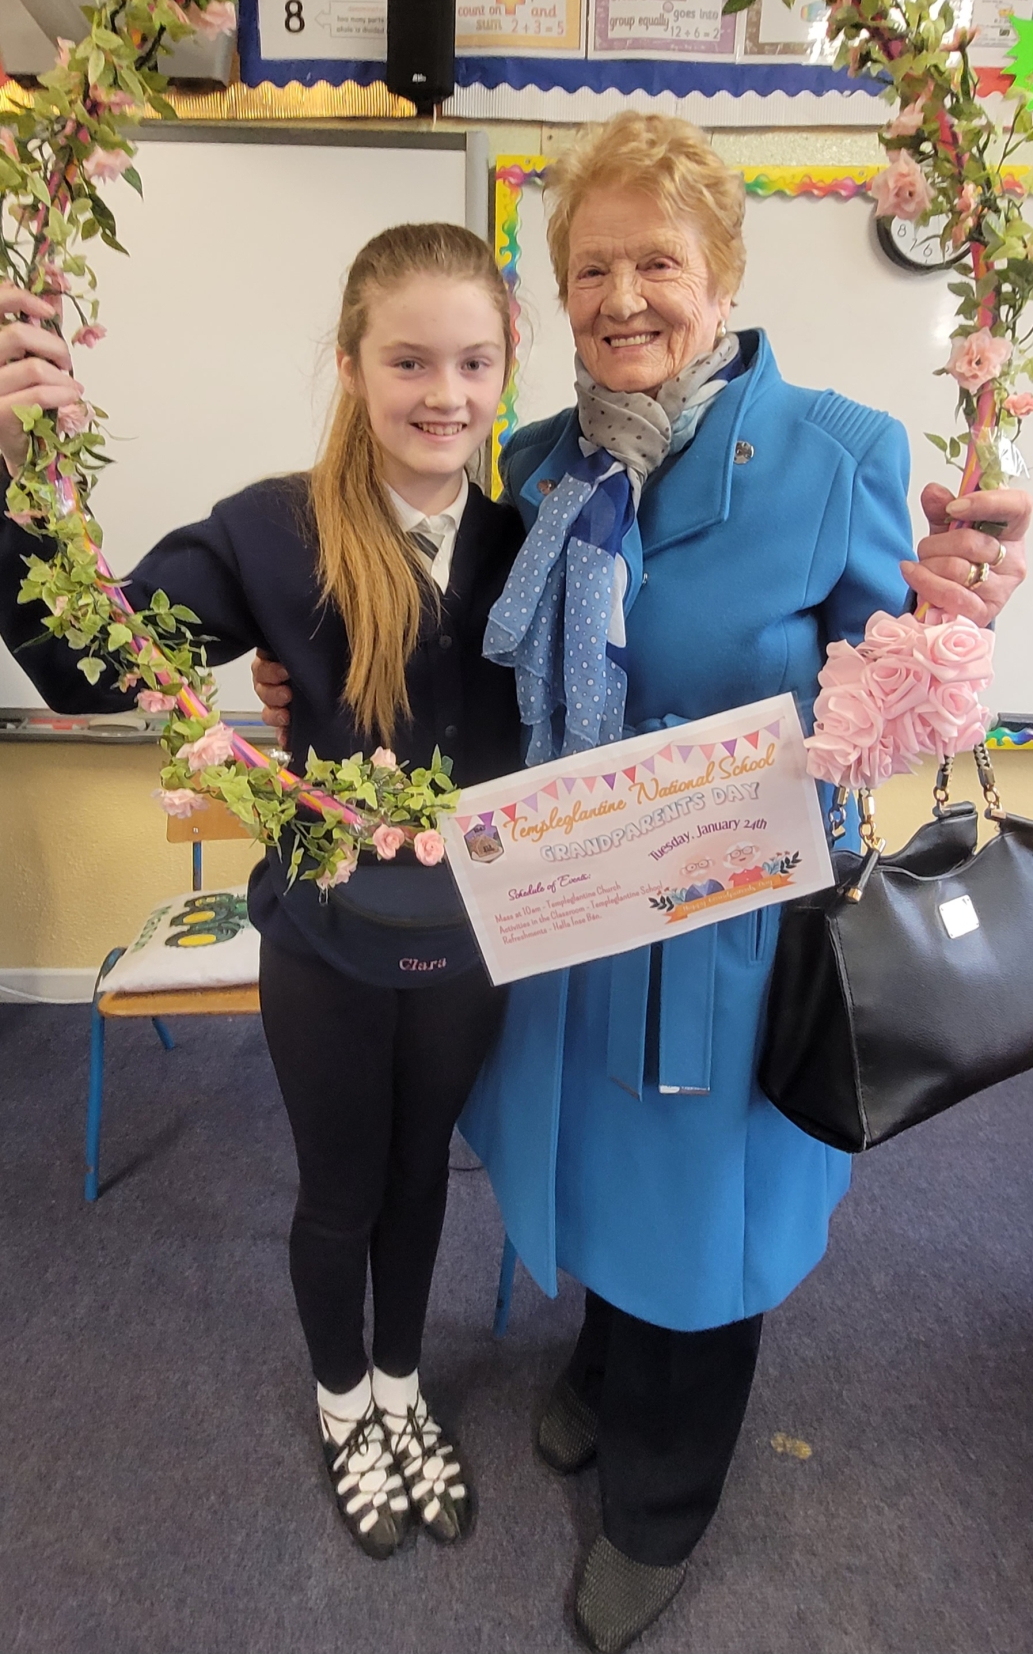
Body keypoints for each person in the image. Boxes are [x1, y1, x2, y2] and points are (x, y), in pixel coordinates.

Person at [253, 115, 1030, 1653]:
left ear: (721, 273)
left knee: (701, 1221)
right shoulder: (534, 461)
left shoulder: (839, 454)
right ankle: (606, 1369)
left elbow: (895, 710)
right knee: (599, 1180)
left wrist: (951, 619)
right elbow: (454, 671)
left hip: (728, 941)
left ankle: (661, 1507)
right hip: (564, 923)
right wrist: (308, 682)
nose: (622, 298)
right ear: (557, 294)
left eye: (656, 263)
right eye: (591, 268)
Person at [0, 225, 526, 1560]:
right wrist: (16, 488)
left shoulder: (533, 541)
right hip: (325, 940)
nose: (445, 394)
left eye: (474, 362)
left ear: (506, 366)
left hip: (473, 939)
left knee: (423, 1175)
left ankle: (401, 1387)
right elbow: (86, 668)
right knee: (341, 1188)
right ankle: (345, 1408)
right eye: (408, 360)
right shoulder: (269, 531)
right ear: (349, 364)